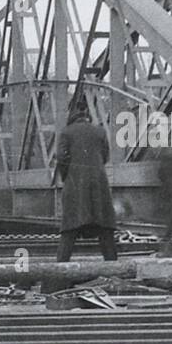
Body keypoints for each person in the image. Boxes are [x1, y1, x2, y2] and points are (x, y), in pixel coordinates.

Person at [53, 103, 117, 261]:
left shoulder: (66, 132)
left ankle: (56, 281)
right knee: (105, 231)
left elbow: (61, 157)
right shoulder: (99, 131)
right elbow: (105, 156)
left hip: (76, 186)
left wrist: (67, 176)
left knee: (69, 231)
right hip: (99, 186)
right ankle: (116, 273)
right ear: (87, 114)